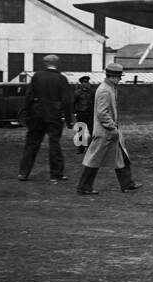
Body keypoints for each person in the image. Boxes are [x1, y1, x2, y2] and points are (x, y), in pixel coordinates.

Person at [77, 62, 143, 195]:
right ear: (112, 77)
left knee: (121, 156)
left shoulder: (109, 88)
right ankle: (84, 186)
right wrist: (112, 128)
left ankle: (127, 183)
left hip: (109, 132)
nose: (120, 79)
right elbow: (102, 113)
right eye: (119, 77)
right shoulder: (105, 90)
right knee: (94, 159)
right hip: (105, 132)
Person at [16, 54, 75, 183]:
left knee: (31, 144)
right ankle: (56, 174)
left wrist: (26, 113)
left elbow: (29, 96)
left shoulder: (37, 76)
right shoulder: (61, 79)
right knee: (55, 144)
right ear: (57, 63)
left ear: (45, 63)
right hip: (54, 115)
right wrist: (69, 120)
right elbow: (66, 101)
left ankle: (23, 173)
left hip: (37, 114)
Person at [73, 75, 95, 153]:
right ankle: (80, 148)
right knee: (81, 131)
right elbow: (73, 103)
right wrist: (74, 112)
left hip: (90, 113)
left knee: (91, 130)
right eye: (83, 83)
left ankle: (91, 147)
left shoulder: (92, 92)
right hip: (80, 113)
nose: (85, 84)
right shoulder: (77, 93)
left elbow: (95, 102)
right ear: (81, 84)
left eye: (86, 82)